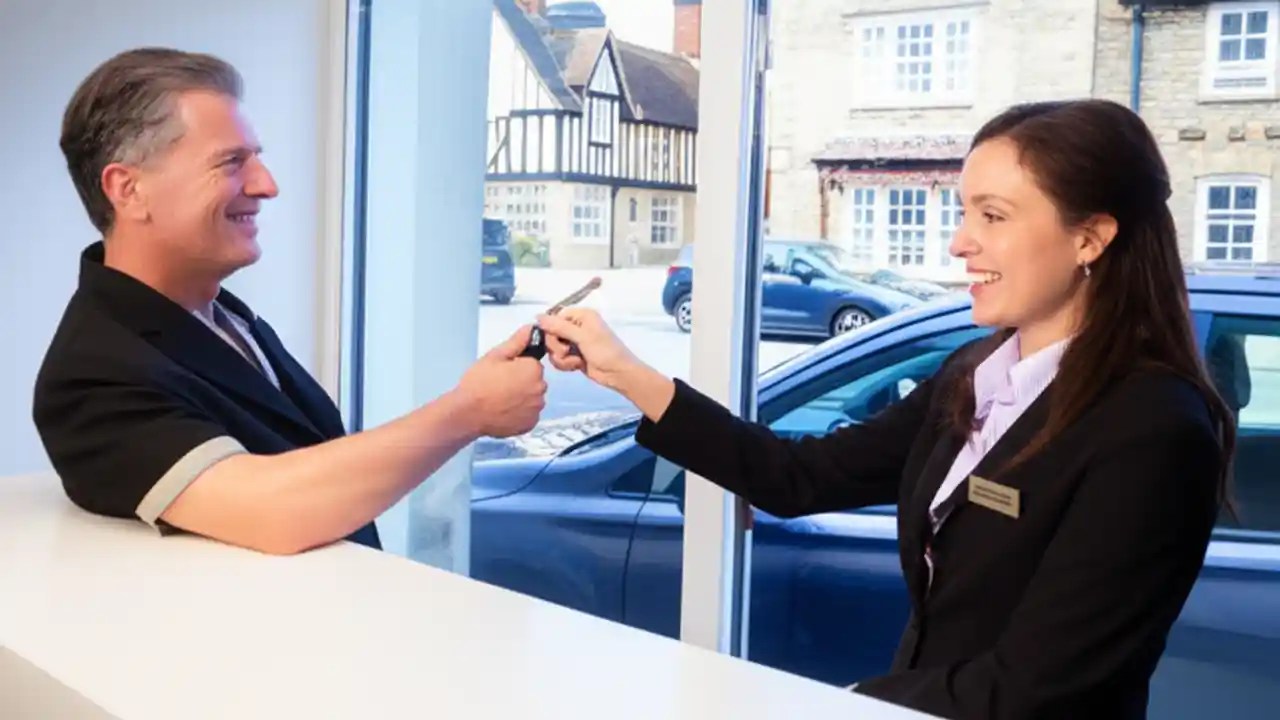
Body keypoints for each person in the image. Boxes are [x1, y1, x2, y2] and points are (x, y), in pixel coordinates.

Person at [535, 98, 1237, 719]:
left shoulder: (1154, 429)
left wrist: (838, 705)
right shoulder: (974, 375)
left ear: (1090, 237)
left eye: (992, 215)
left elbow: (1039, 685)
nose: (960, 242)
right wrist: (626, 373)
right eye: (966, 213)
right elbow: (797, 476)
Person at [32, 47, 546, 556]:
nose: (267, 185)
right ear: (128, 190)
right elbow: (275, 510)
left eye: (257, 159)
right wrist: (469, 411)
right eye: (231, 162)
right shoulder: (93, 375)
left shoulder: (224, 316)